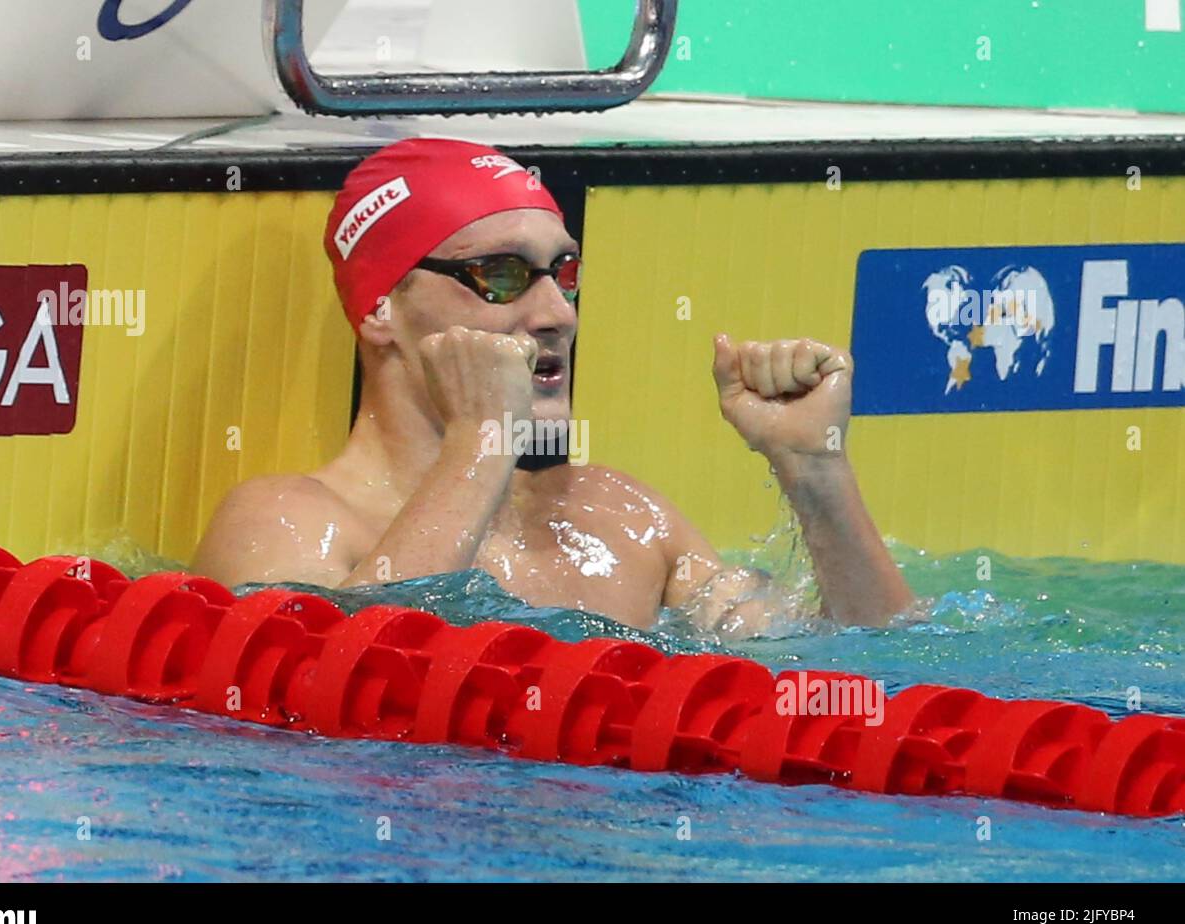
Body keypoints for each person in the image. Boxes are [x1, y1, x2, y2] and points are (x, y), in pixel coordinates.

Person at [194, 138, 913, 635]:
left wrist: (816, 471)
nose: (556, 314)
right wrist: (481, 442)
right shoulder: (285, 521)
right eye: (500, 275)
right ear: (381, 307)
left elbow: (865, 676)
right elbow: (328, 698)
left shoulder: (619, 521)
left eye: (563, 274)